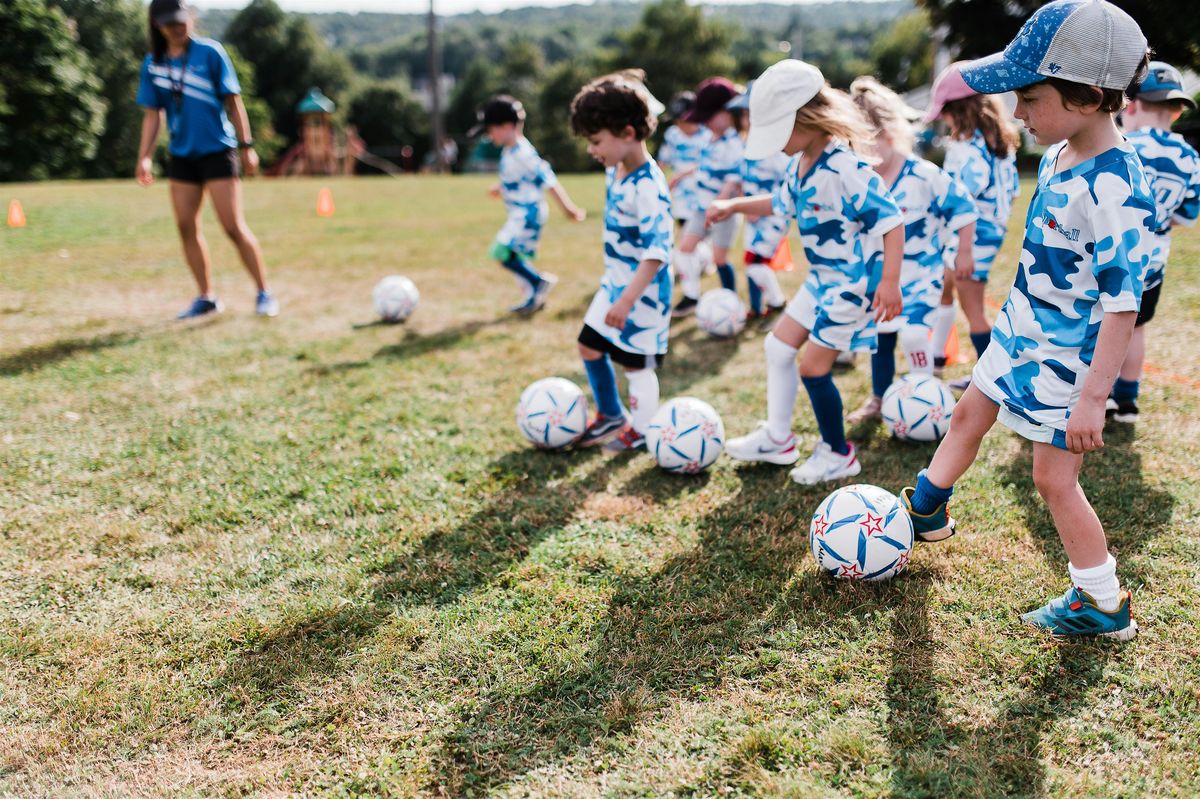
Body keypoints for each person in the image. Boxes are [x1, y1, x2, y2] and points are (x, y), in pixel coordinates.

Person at [902, 0, 1154, 640]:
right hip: (1019, 330)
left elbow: (1123, 303)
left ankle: (1102, 600)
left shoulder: (1115, 188)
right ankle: (926, 508)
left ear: (1088, 96)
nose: (1017, 113)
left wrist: (1092, 399)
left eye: (1030, 98)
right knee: (970, 410)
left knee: (1052, 478)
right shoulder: (1057, 154)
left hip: (1068, 360)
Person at [708, 60, 905, 485]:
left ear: (806, 120)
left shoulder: (845, 169)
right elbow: (779, 204)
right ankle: (778, 439)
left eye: (778, 132)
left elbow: (892, 221)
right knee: (778, 348)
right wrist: (733, 206)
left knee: (813, 368)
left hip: (851, 287)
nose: (775, 145)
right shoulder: (800, 164)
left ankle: (838, 453)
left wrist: (889, 282)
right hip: (820, 283)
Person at [846, 76, 978, 423]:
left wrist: (964, 251)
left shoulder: (923, 175)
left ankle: (926, 395)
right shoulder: (862, 181)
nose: (861, 156)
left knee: (915, 334)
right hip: (881, 280)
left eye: (867, 145)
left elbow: (964, 208)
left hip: (922, 278)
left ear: (890, 135)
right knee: (881, 338)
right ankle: (878, 398)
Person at [135, 0, 278, 320]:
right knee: (186, 227)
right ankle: (206, 297)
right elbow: (153, 114)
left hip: (217, 151)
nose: (178, 27)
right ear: (157, 24)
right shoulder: (153, 64)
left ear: (190, 17)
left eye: (181, 19)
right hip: (182, 155)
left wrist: (247, 146)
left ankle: (264, 292)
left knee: (232, 227)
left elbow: (234, 102)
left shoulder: (210, 53)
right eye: (170, 22)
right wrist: (144, 157)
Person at [569, 71, 675, 452]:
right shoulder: (615, 170)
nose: (591, 149)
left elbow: (657, 252)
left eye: (596, 141)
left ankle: (643, 431)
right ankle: (612, 414)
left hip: (641, 295)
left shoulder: (649, 187)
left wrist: (628, 300)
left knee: (636, 365)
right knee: (589, 344)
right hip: (614, 286)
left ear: (628, 133)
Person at [1111, 62, 1200, 422]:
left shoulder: (1123, 145)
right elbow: (1187, 215)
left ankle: (1095, 394)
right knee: (1136, 327)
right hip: (1152, 262)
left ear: (1130, 106)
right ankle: (1127, 401)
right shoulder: (1190, 156)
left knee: (1099, 325)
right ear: (1177, 111)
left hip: (1112, 255)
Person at [922, 62, 1021, 386]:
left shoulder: (969, 151)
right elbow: (1014, 191)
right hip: (986, 234)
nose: (944, 120)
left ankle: (989, 378)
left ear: (960, 109)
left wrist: (964, 248)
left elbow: (961, 201)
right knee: (945, 286)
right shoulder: (997, 143)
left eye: (946, 113)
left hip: (972, 239)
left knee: (973, 308)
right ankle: (936, 359)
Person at [473, 95, 586, 315]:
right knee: (515, 256)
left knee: (501, 251)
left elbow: (548, 179)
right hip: (520, 213)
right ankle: (534, 298)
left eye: (491, 129)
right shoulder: (511, 151)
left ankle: (538, 282)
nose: (489, 135)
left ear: (507, 126)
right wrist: (501, 188)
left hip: (528, 214)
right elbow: (520, 179)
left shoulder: (523, 153)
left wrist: (568, 208)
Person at [671, 78, 745, 317]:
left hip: (723, 210)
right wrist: (682, 174)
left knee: (719, 258)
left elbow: (734, 177)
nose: (704, 123)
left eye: (709, 117)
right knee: (684, 248)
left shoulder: (734, 142)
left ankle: (731, 303)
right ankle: (691, 297)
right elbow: (705, 165)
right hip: (701, 206)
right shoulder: (709, 137)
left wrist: (721, 202)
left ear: (727, 112)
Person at [722, 82, 788, 328]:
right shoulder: (747, 144)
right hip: (752, 215)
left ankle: (779, 306)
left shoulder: (778, 149)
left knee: (756, 264)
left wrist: (760, 208)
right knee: (752, 262)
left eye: (750, 114)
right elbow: (743, 176)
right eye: (744, 115)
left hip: (772, 215)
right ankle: (761, 307)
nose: (746, 120)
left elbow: (786, 185)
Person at [657, 92, 711, 233]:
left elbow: (709, 162)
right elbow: (663, 161)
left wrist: (680, 176)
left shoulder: (708, 134)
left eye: (684, 121)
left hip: (704, 193)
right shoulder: (672, 134)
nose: (680, 125)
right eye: (677, 121)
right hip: (681, 196)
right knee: (686, 232)